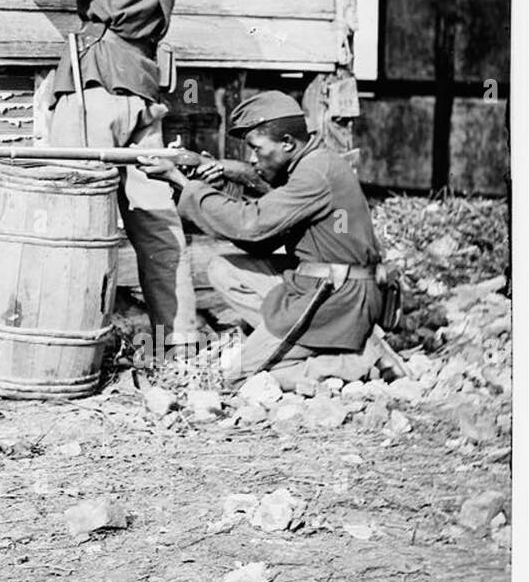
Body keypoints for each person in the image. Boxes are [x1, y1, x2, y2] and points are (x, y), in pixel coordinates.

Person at [0, 0, 198, 356]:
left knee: (70, 215)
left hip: (96, 90)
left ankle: (63, 346)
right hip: (143, 93)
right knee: (156, 220)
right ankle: (180, 346)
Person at [137, 91, 385, 385]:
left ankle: (355, 361)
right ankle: (315, 343)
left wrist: (181, 181)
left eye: (257, 149)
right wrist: (218, 184)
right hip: (320, 286)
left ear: (288, 143)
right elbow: (262, 240)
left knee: (235, 377)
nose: (252, 158)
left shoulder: (314, 173)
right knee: (223, 269)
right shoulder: (313, 164)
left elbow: (250, 225)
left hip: (336, 299)